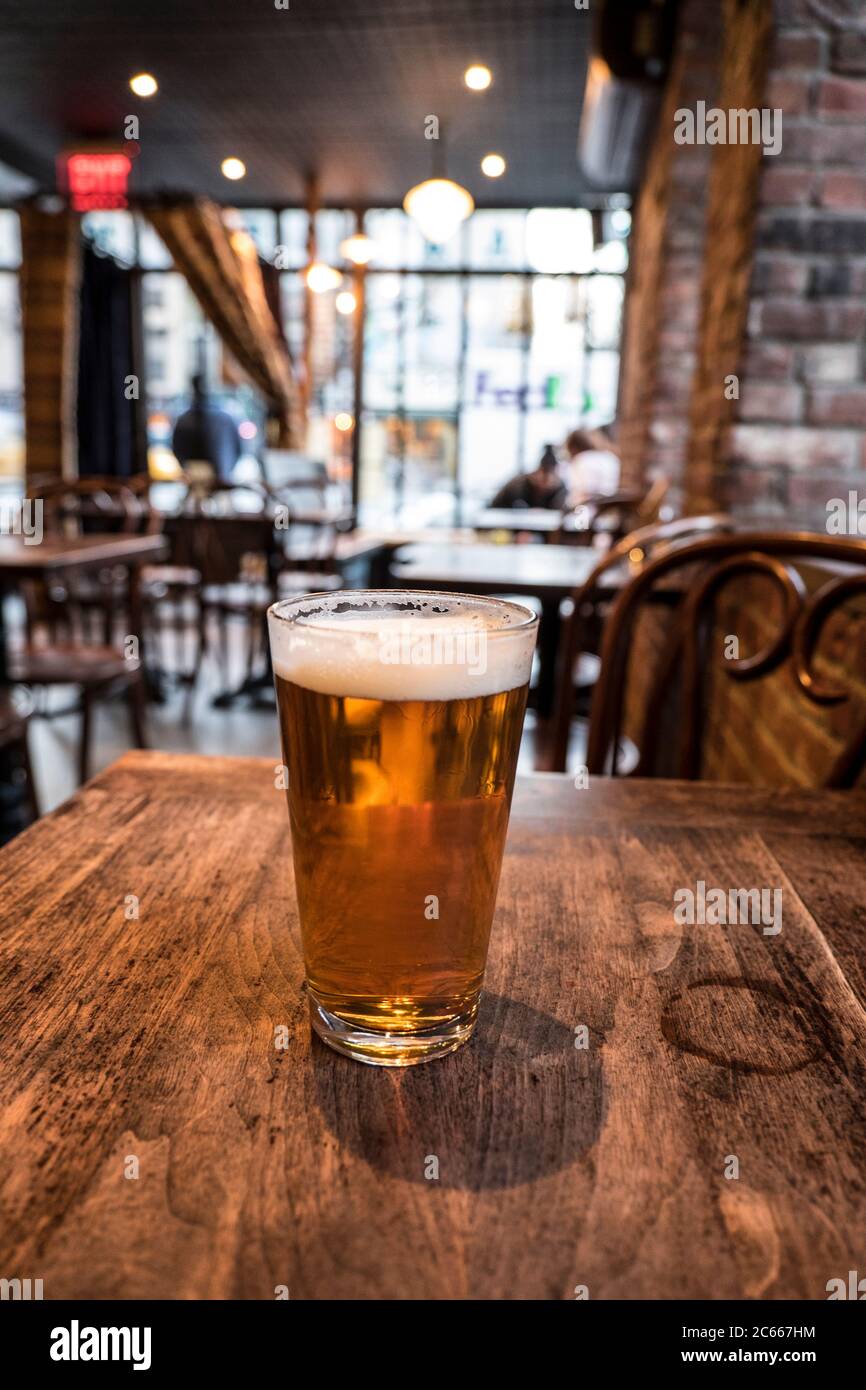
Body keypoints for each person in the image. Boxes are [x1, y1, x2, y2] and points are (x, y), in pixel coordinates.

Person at [172, 374, 242, 482]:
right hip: (215, 475)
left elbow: (177, 449)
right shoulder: (224, 419)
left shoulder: (185, 420)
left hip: (214, 475)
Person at [489, 444, 568, 510]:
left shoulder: (560, 488)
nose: (546, 482)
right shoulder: (517, 484)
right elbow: (495, 508)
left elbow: (558, 511)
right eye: (543, 474)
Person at [564, 426, 621, 500]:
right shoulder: (611, 458)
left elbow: (581, 491)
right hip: (609, 505)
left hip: (585, 507)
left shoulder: (581, 459)